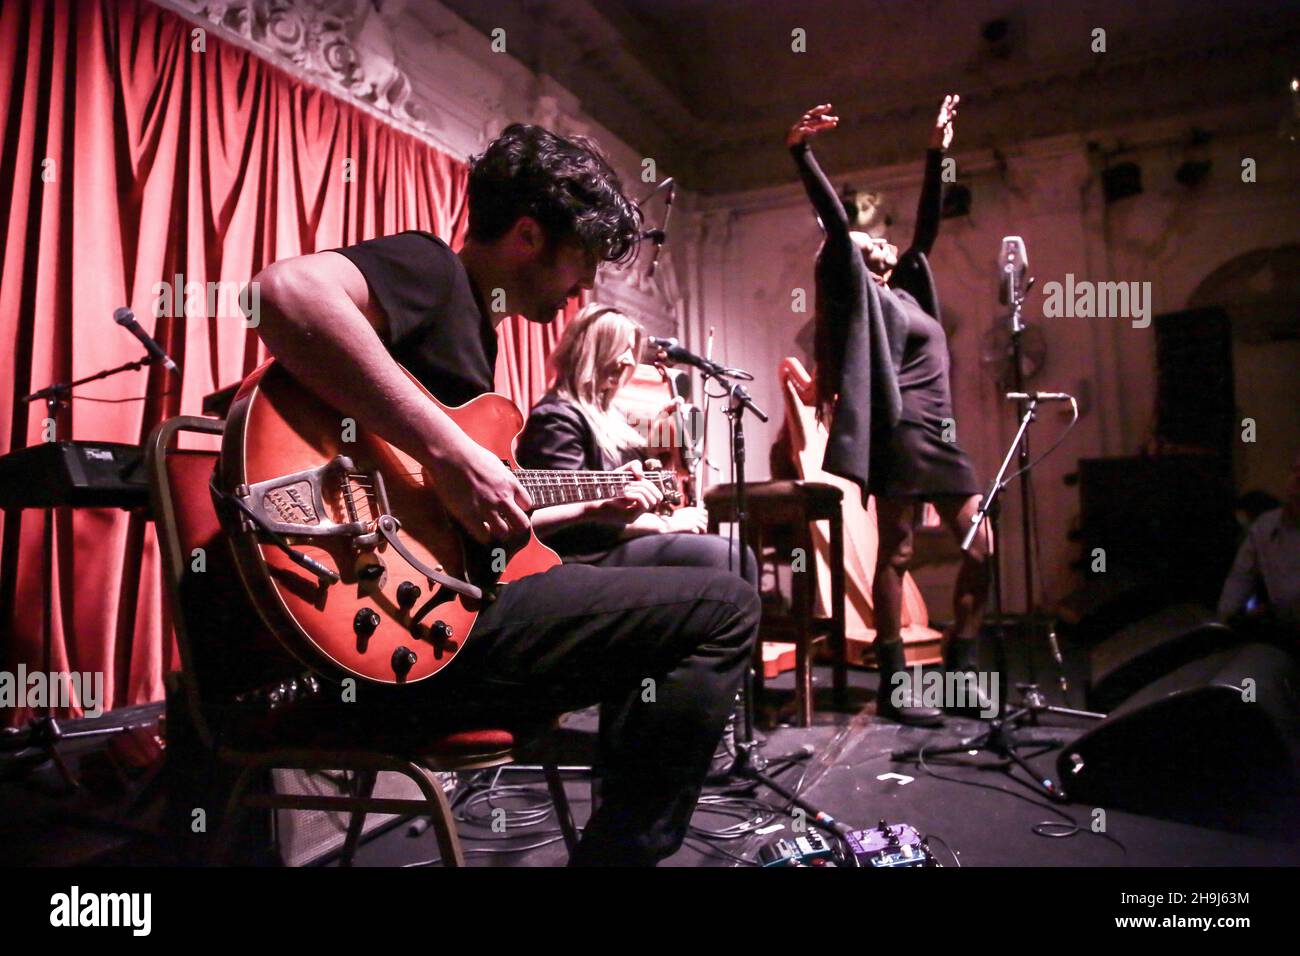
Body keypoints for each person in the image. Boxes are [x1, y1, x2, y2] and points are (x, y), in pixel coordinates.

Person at [251, 123, 760, 866]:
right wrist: (450, 448)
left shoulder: (475, 334)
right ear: (527, 234)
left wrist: (582, 503)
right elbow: (280, 293)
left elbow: (461, 507)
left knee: (708, 573)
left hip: (450, 607)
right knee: (726, 606)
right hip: (414, 632)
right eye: (578, 267)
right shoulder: (432, 269)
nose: (580, 292)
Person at [787, 97, 991, 726]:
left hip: (941, 434)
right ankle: (898, 681)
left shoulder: (910, 288)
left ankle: (961, 662)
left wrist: (938, 150)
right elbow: (830, 218)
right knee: (897, 554)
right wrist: (801, 151)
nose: (879, 241)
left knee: (979, 545)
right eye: (864, 239)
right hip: (901, 433)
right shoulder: (864, 294)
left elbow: (927, 226)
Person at [515, 303, 757, 587]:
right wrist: (665, 525)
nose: (630, 360)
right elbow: (575, 520)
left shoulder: (611, 416)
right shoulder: (556, 418)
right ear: (589, 351)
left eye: (632, 350)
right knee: (727, 556)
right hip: (584, 554)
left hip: (613, 543)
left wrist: (667, 432)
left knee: (734, 554)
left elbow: (647, 469)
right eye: (621, 348)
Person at [1218, 452, 1300, 645]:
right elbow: (1237, 584)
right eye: (1296, 471)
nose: (1297, 480)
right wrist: (1224, 627)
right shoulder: (1266, 527)